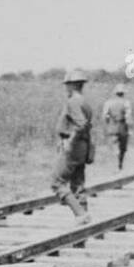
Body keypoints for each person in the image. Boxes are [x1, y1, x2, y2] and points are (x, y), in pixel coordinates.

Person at [51, 69, 95, 223]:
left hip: (73, 147)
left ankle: (80, 214)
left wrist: (70, 141)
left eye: (67, 85)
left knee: (57, 183)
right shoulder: (84, 102)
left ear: (71, 86)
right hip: (82, 146)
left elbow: (81, 124)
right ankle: (85, 221)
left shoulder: (72, 102)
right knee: (78, 185)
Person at [102, 84, 132, 170]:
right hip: (122, 126)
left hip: (112, 125)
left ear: (115, 93)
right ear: (123, 93)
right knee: (123, 147)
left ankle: (115, 164)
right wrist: (129, 128)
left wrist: (108, 123)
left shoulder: (108, 102)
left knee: (113, 144)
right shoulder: (126, 102)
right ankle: (120, 163)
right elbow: (128, 116)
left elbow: (104, 116)